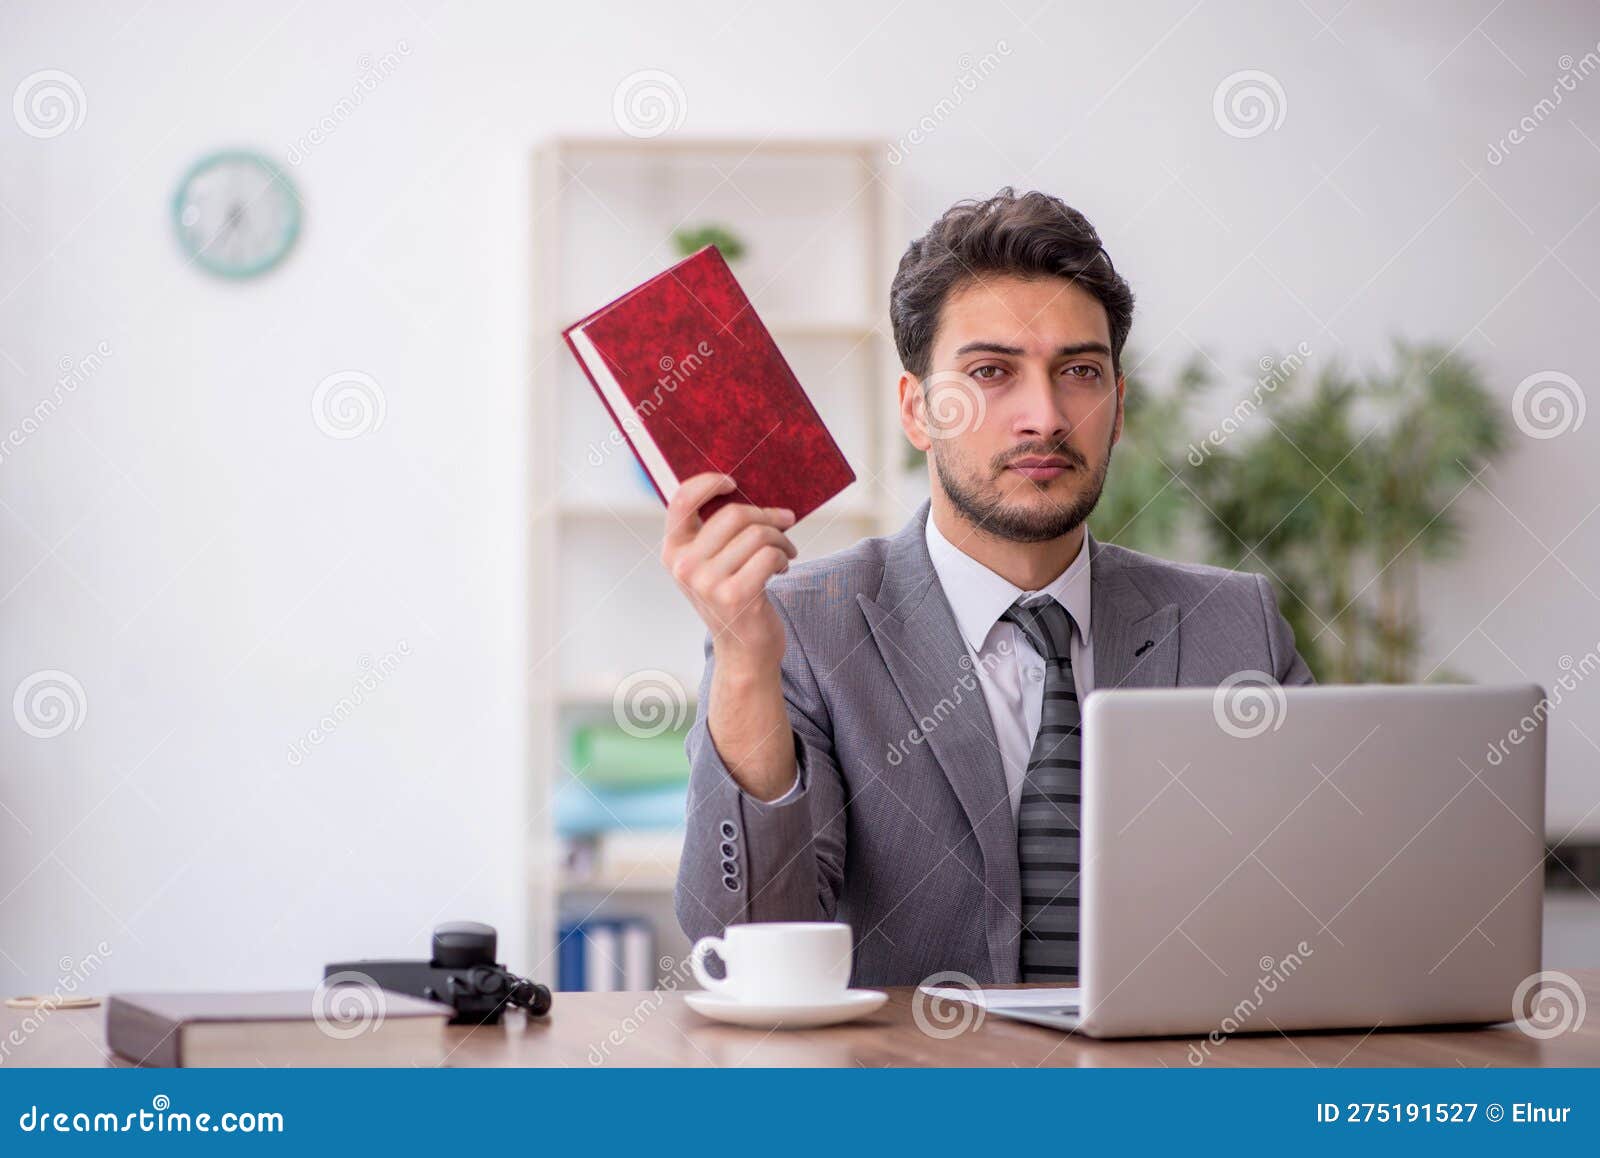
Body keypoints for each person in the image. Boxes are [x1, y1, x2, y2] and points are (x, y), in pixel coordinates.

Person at [662, 187, 1313, 988]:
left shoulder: (1234, 625)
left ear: (1117, 409)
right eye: (991, 372)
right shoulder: (803, 628)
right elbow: (751, 943)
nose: (1044, 416)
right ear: (918, 410)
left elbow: (1317, 909)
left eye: (1079, 371)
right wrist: (744, 665)